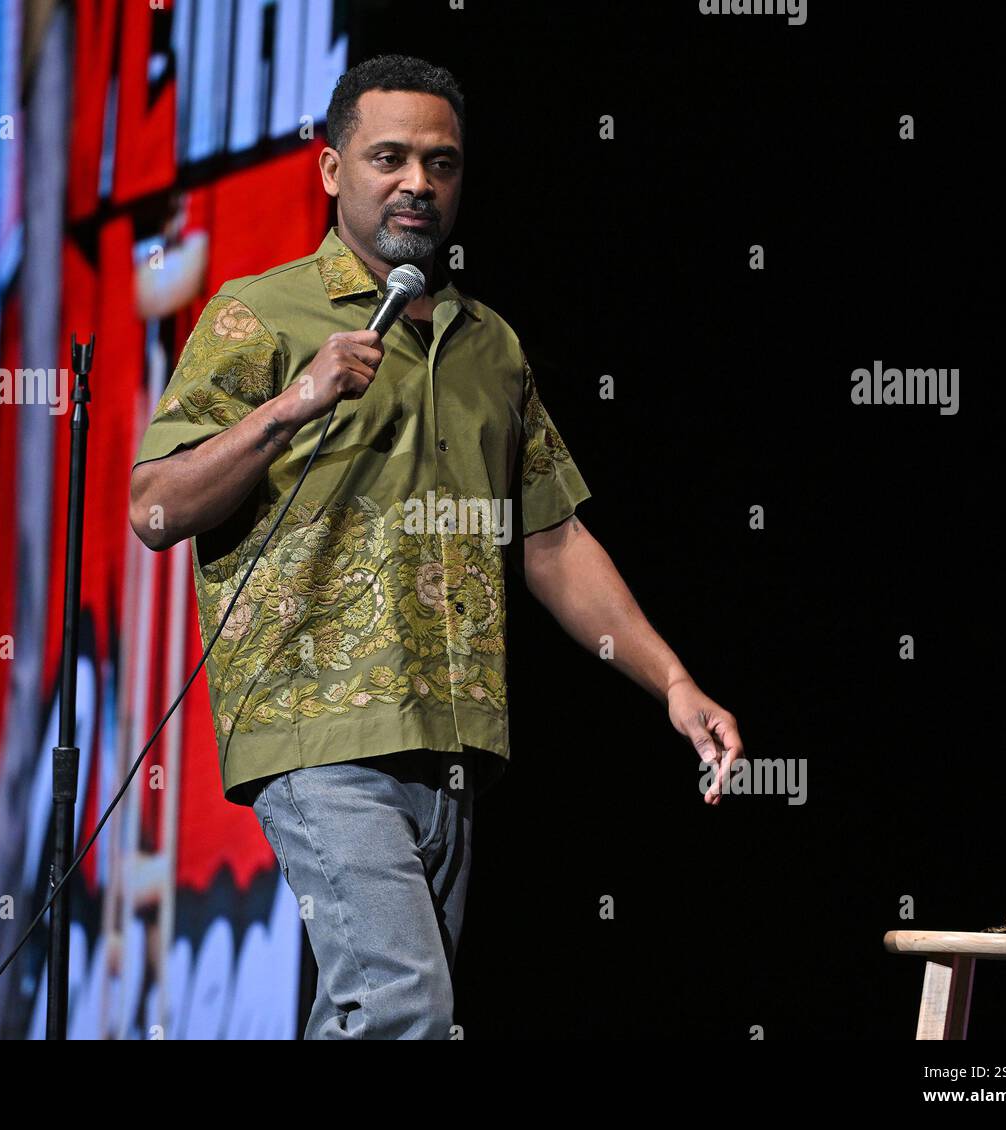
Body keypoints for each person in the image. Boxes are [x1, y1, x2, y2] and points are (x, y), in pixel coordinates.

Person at [128, 54, 743, 1039]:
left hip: (457, 744)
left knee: (369, 1017)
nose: (418, 180)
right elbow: (153, 505)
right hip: (316, 734)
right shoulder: (259, 313)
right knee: (409, 1009)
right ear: (331, 170)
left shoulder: (488, 344)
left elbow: (549, 537)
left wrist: (672, 681)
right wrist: (293, 402)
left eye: (441, 162)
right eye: (389, 157)